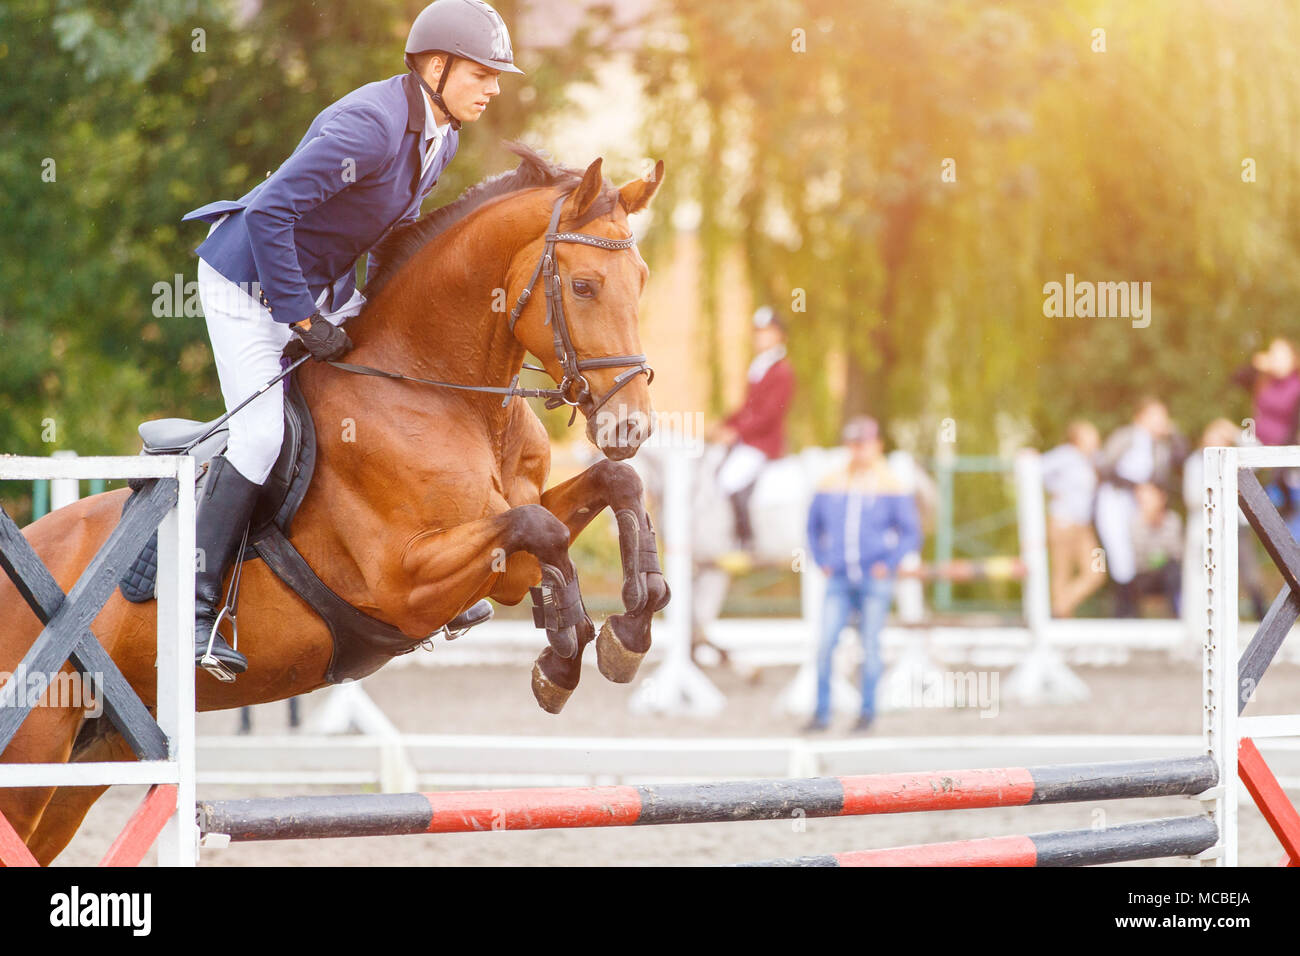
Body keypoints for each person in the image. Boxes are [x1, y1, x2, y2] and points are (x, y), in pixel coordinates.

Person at [178, 0, 520, 679]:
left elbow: (394, 237)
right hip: (247, 284)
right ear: (436, 64)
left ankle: (431, 568)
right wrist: (303, 319)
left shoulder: (440, 136)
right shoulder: (369, 126)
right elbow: (273, 210)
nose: (495, 87)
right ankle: (196, 604)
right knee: (261, 437)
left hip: (317, 282)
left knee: (390, 394)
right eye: (483, 72)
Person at [804, 417, 921, 732]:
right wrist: (820, 558)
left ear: (876, 446)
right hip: (839, 578)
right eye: (853, 445)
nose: (857, 451)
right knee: (826, 643)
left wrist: (890, 562)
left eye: (863, 444)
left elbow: (911, 532)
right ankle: (822, 713)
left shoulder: (891, 484)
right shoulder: (830, 482)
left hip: (874, 577)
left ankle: (867, 713)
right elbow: (812, 526)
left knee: (871, 645)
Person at [709, 306, 795, 551]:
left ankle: (745, 540)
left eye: (766, 332)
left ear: (779, 335)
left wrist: (737, 432)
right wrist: (724, 424)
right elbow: (747, 408)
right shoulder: (759, 367)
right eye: (757, 332)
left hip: (763, 442)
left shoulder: (782, 370)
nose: (760, 337)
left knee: (730, 479)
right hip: (748, 440)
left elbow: (768, 414)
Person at [1093, 397, 1187, 617]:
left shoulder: (1160, 444)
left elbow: (1180, 457)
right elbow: (1105, 467)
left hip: (1140, 504)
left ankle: (1131, 614)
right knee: (1120, 557)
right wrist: (1136, 486)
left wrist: (1173, 432)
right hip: (1116, 500)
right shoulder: (1127, 436)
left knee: (1134, 559)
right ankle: (1123, 615)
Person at [1040, 420, 1105, 617]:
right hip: (1063, 521)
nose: (1096, 438)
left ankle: (1058, 608)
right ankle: (1062, 621)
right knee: (1062, 573)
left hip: (1083, 525)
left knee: (1096, 572)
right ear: (1077, 438)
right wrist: (1054, 489)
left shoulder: (1092, 460)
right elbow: (1038, 468)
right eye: (1090, 434)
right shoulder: (1065, 454)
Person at [1124, 483, 1183, 616]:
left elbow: (1177, 553)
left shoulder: (1172, 520)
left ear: (1162, 497)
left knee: (1174, 574)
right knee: (1128, 584)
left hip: (1167, 573)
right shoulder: (1135, 522)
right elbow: (1140, 556)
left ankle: (1179, 614)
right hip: (1145, 574)